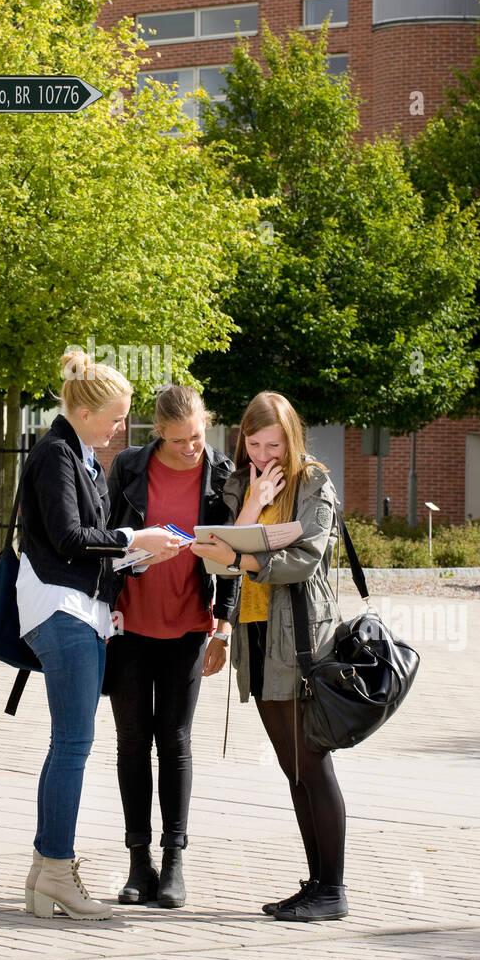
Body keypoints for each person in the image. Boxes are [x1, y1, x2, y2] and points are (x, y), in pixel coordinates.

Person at [17, 351, 186, 921]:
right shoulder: (56, 453)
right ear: (85, 412)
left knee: (65, 744)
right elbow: (68, 537)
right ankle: (57, 874)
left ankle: (46, 874)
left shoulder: (79, 453)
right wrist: (133, 536)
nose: (122, 429)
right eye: (116, 418)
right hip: (61, 609)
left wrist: (138, 551)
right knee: (72, 745)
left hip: (73, 608)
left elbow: (88, 542)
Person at [191, 390, 348, 922]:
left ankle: (332, 890)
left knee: (312, 763)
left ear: (292, 438)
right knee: (293, 767)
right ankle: (318, 882)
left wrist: (241, 555)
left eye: (273, 444)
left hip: (301, 639)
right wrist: (252, 507)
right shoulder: (242, 481)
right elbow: (222, 557)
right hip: (256, 638)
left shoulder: (315, 483)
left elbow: (303, 561)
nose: (263, 455)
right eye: (254, 444)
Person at [104, 386, 237, 908]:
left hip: (188, 625)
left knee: (175, 741)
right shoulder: (129, 468)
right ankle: (140, 862)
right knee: (132, 741)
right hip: (129, 624)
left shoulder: (221, 474)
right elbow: (105, 536)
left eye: (198, 437)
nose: (191, 448)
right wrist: (134, 553)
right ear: (158, 433)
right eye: (179, 440)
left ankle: (175, 860)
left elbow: (231, 556)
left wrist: (222, 629)